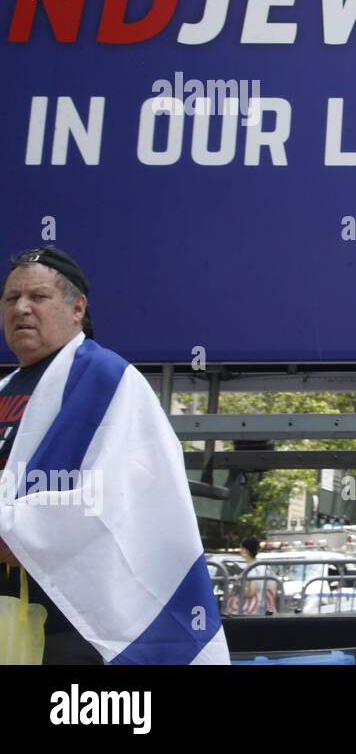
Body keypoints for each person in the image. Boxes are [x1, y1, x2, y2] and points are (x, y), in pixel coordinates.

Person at [0, 246, 229, 664]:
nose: (22, 309)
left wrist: (17, 530)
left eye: (38, 297)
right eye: (11, 298)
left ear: (77, 308)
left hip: (73, 624)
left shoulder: (110, 378)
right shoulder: (6, 386)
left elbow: (125, 498)